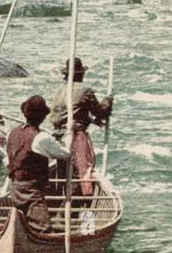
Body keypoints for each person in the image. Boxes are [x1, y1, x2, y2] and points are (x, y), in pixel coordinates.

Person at [48, 57, 113, 200]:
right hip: (74, 136)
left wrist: (89, 120)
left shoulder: (60, 90)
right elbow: (101, 111)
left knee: (63, 170)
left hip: (58, 135)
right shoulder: (84, 90)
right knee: (79, 170)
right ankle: (78, 203)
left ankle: (64, 198)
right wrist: (108, 100)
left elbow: (66, 113)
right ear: (80, 74)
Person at [7, 95, 71, 230]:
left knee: (26, 223)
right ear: (42, 117)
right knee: (44, 228)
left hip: (14, 187)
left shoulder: (13, 132)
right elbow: (65, 154)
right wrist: (66, 139)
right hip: (30, 190)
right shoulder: (41, 137)